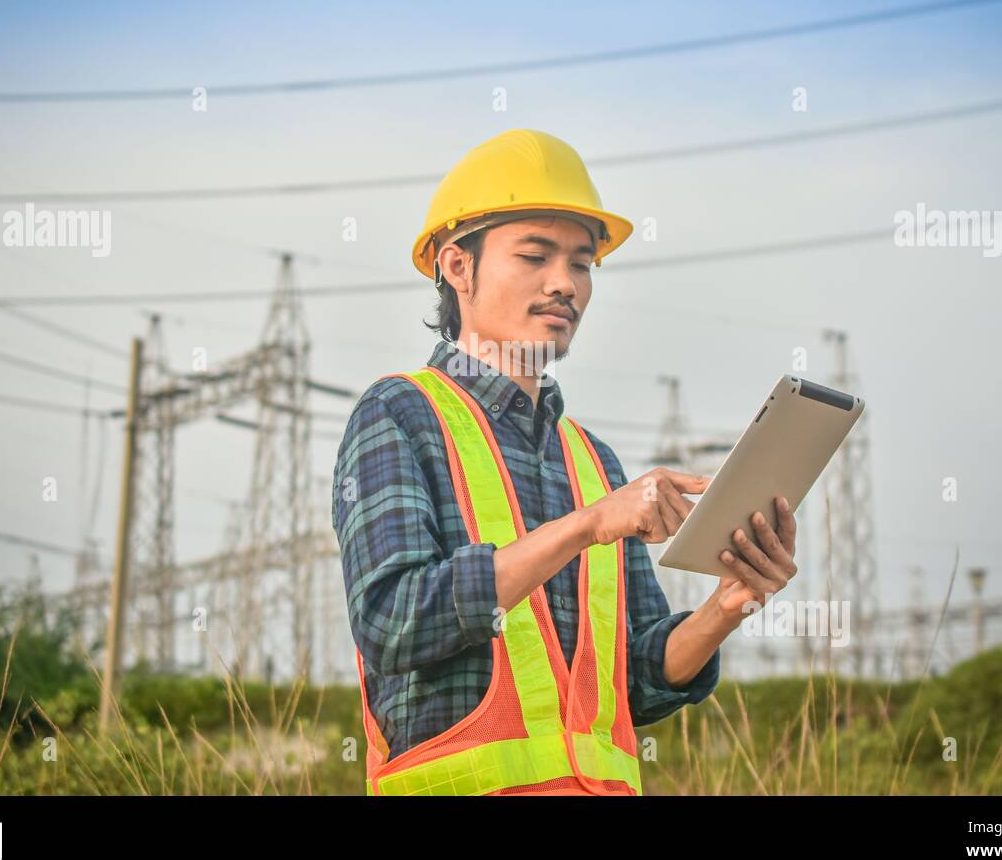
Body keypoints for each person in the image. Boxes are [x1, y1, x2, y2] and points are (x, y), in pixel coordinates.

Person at [332, 128, 799, 795]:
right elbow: (392, 620)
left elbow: (636, 681)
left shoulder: (592, 462)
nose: (564, 285)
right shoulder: (400, 415)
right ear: (456, 266)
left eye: (581, 263)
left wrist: (726, 606)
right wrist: (584, 527)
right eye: (535, 256)